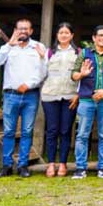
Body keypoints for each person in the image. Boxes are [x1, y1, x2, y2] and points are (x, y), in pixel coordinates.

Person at [0, 17, 47, 178]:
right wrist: (9, 44)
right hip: (11, 95)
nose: (23, 31)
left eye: (26, 29)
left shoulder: (38, 47)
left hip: (30, 95)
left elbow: (43, 72)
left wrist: (29, 84)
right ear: (16, 30)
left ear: (31, 31)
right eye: (20, 29)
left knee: (27, 131)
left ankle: (23, 165)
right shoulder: (9, 47)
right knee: (8, 131)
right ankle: (7, 165)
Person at [71, 25, 103, 179]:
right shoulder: (84, 53)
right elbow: (73, 74)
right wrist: (82, 74)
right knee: (82, 135)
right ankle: (80, 168)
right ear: (94, 38)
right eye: (100, 35)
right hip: (86, 100)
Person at [41, 22, 79, 178]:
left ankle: (62, 163)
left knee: (65, 130)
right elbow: (41, 74)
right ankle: (51, 163)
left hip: (70, 96)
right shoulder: (49, 53)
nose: (64, 35)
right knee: (51, 130)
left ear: (72, 35)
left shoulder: (78, 53)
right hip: (50, 95)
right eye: (61, 32)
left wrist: (78, 94)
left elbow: (81, 77)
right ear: (57, 35)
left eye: (67, 32)